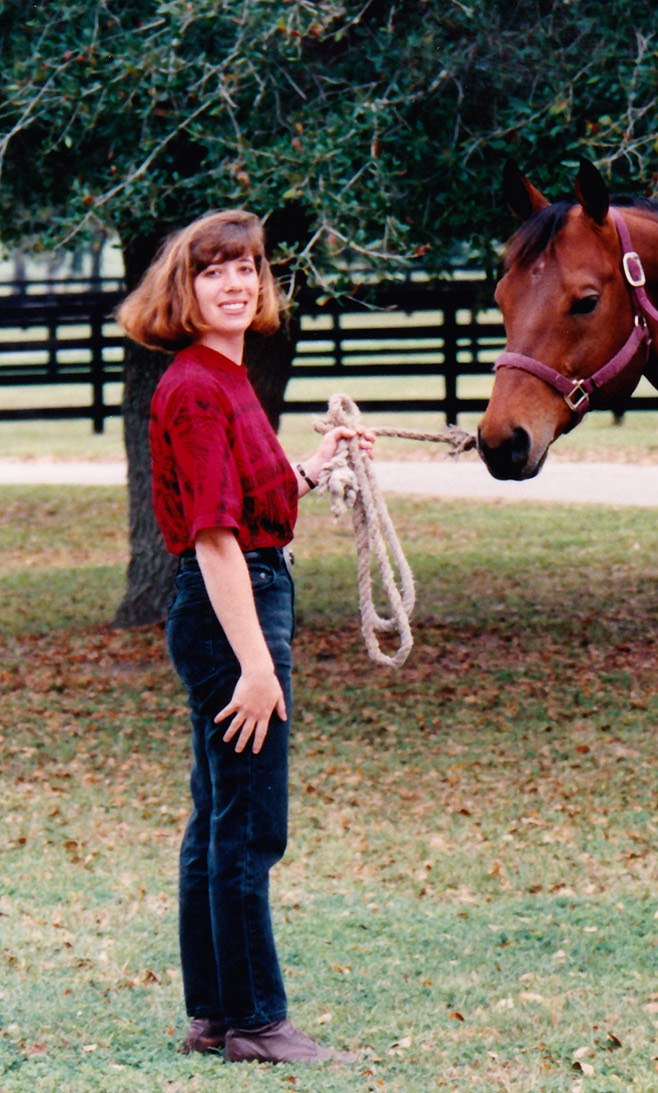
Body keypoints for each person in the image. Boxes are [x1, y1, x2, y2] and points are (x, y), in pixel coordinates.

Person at [116, 210, 371, 1064]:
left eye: (247, 268)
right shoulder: (194, 386)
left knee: (219, 816)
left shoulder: (224, 380)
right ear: (182, 290)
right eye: (213, 270)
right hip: (236, 610)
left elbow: (250, 500)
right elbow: (216, 536)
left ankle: (216, 1015)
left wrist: (312, 464)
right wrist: (258, 665)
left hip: (237, 598)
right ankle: (257, 1021)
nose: (236, 283)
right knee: (248, 824)